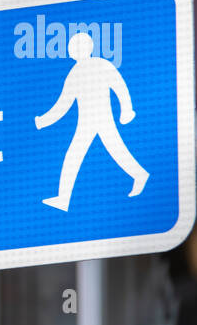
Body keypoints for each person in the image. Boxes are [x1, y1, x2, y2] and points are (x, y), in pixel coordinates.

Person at [35, 32, 148, 211]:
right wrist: (43, 121)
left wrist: (127, 109)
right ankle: (63, 199)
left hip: (100, 119)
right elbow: (63, 104)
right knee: (85, 154)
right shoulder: (79, 71)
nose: (73, 51)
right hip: (87, 123)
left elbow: (119, 86)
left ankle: (140, 175)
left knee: (107, 151)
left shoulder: (98, 66)